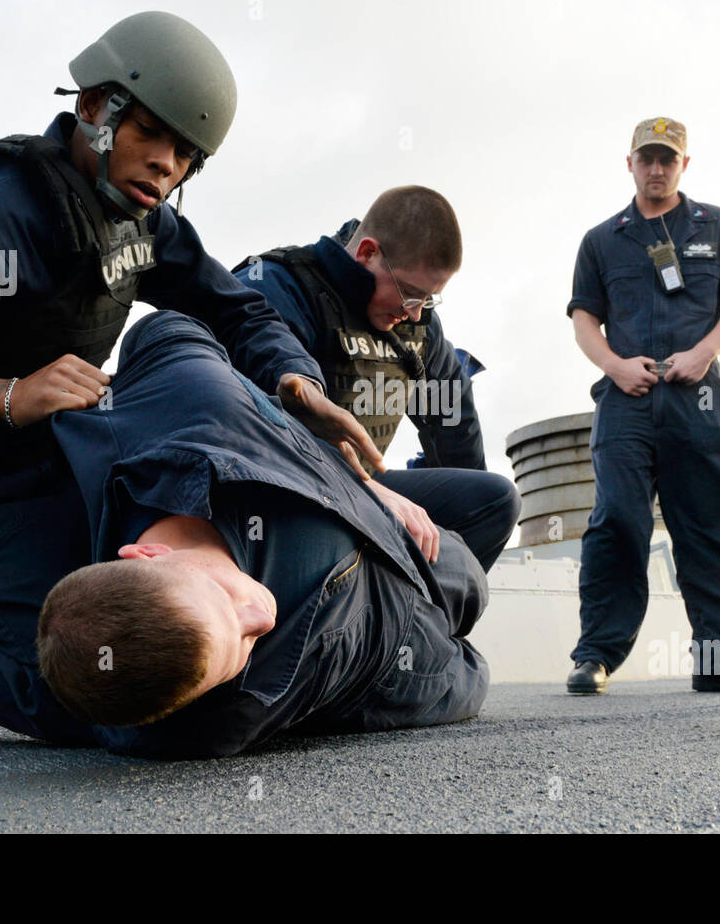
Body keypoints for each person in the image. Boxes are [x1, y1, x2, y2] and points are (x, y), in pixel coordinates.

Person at [0, 11, 382, 742]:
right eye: (153, 134)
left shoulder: (139, 218)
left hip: (49, 480)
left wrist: (299, 384)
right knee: (90, 689)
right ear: (96, 109)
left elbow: (238, 309)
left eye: (187, 153)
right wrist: (2, 394)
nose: (168, 165)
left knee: (150, 658)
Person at [37, 309, 489, 757]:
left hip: (393, 525)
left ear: (146, 553)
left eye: (226, 602)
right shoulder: (229, 716)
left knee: (492, 510)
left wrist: (310, 408)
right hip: (398, 645)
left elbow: (169, 327)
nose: (263, 619)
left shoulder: (192, 401)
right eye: (244, 649)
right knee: (472, 670)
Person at [564, 117, 720, 695]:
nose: (657, 169)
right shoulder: (602, 239)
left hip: (698, 397)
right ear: (629, 163)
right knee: (616, 524)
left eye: (668, 159)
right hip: (626, 400)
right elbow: (585, 318)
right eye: (646, 159)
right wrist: (614, 365)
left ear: (685, 165)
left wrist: (705, 352)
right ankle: (596, 658)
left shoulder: (719, 226)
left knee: (710, 521)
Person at [231, 186, 519, 571]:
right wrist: (366, 492)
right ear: (367, 254)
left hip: (368, 492)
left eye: (429, 300)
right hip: (282, 490)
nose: (415, 313)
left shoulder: (419, 330)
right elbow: (253, 431)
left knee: (494, 499)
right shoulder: (281, 287)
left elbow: (456, 434)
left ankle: (421, 623)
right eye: (411, 294)